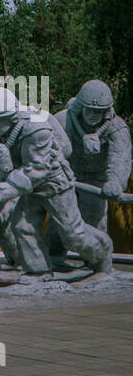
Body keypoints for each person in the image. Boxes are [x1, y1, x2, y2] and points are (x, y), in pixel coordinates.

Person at [0, 90, 114, 278]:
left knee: (72, 234)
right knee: (22, 226)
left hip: (54, 185)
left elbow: (37, 169)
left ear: (11, 116)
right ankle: (38, 272)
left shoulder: (37, 129)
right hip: (26, 186)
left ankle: (103, 252)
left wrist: (7, 187)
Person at [52, 79, 130, 259]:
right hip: (64, 177)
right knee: (59, 219)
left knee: (94, 219)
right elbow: (48, 148)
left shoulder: (116, 127)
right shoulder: (63, 120)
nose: (94, 115)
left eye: (99, 111)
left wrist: (115, 182)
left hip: (95, 182)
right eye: (90, 109)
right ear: (80, 106)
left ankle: (97, 263)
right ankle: (54, 259)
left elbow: (120, 157)